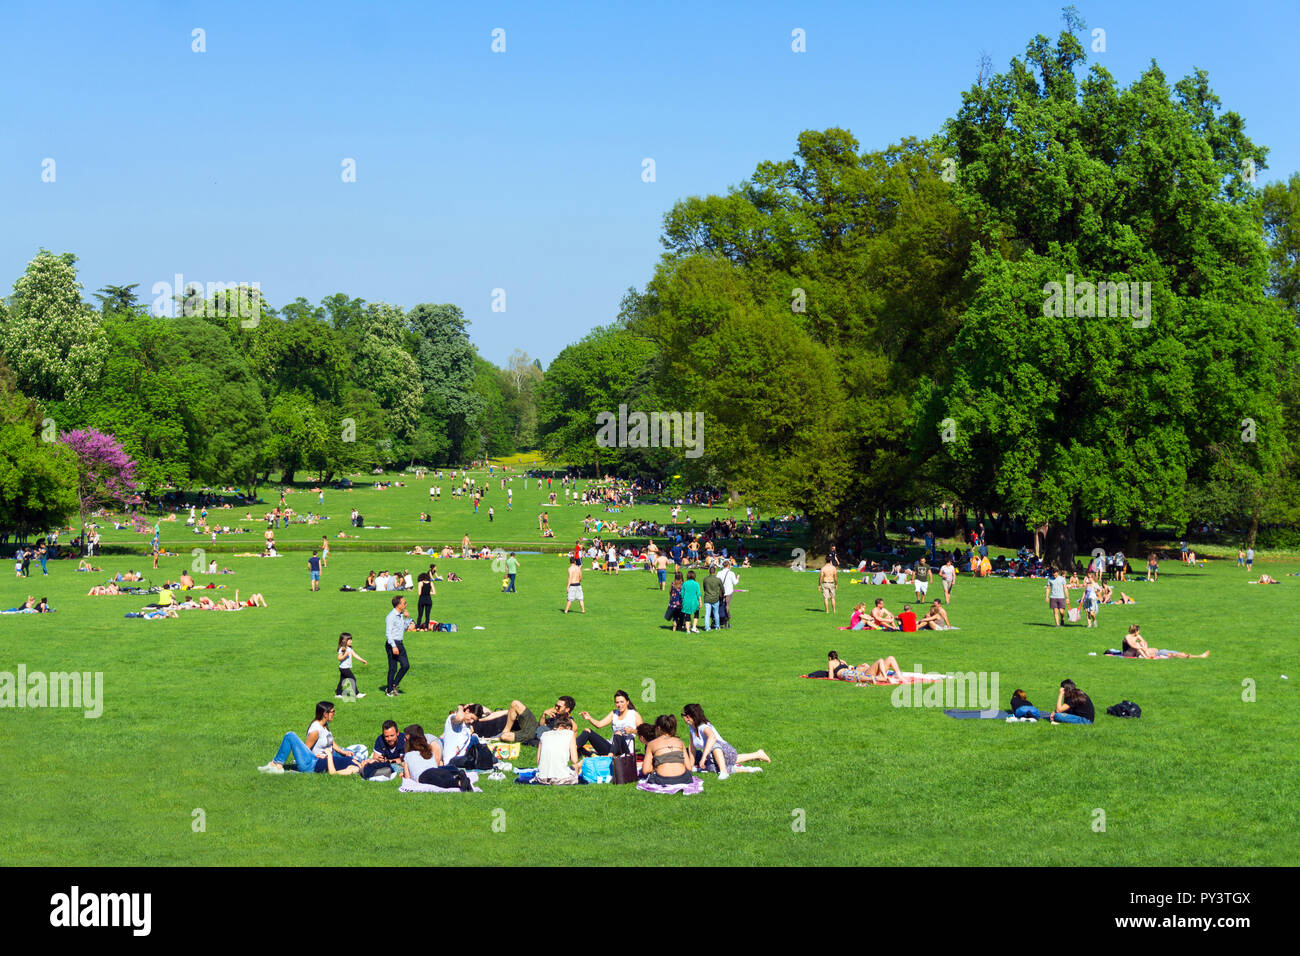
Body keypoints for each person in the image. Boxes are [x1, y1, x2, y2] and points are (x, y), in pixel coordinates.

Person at [258, 701, 361, 774]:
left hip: (327, 756)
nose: (334, 714)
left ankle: (275, 764)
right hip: (313, 761)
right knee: (290, 735)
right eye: (333, 712)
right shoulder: (315, 730)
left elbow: (331, 742)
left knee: (355, 756)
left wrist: (343, 752)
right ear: (325, 714)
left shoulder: (325, 725)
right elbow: (306, 750)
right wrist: (320, 756)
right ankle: (276, 764)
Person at [680, 704, 769, 779]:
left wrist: (703, 758)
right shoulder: (691, 727)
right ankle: (757, 756)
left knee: (714, 746)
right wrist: (691, 765)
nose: (682, 717)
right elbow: (692, 747)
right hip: (716, 754)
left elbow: (712, 738)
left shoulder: (703, 727)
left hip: (725, 750)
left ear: (688, 717)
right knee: (711, 768)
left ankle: (724, 771)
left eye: (682, 715)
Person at [577, 690, 641, 757]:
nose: (619, 705)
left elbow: (643, 733)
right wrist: (589, 718)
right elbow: (599, 725)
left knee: (618, 734)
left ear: (627, 702)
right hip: (611, 747)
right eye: (617, 702)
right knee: (588, 731)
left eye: (622, 702)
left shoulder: (634, 715)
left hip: (625, 750)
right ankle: (571, 749)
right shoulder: (614, 713)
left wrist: (632, 731)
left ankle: (608, 759)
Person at [640, 714, 696, 789]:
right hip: (683, 779)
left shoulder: (651, 744)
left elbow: (645, 770)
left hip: (662, 780)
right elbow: (689, 767)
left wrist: (656, 768)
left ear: (658, 728)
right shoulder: (680, 742)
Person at [534, 715, 581, 785]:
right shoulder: (570, 734)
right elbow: (575, 760)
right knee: (577, 765)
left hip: (541, 778)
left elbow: (538, 761)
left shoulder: (544, 735)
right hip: (561, 779)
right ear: (568, 728)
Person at [1122, 624, 1209, 659]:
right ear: (1136, 630)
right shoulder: (1128, 637)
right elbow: (1133, 646)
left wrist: (1144, 646)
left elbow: (1144, 642)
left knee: (1158, 650)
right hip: (1129, 653)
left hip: (1143, 652)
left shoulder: (1137, 636)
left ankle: (1196, 656)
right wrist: (1142, 648)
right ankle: (1147, 657)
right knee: (1138, 646)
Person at [384, 595, 412, 697]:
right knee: (393, 668)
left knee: (406, 665)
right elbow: (388, 633)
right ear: (399, 605)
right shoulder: (391, 616)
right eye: (404, 603)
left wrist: (407, 618)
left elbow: (403, 628)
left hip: (400, 643)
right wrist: (393, 646)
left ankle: (394, 684)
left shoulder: (400, 615)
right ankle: (389, 690)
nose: (406, 604)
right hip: (393, 644)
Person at [825, 650, 903, 684]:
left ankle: (884, 677)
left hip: (867, 672)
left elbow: (831, 677)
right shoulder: (842, 661)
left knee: (881, 660)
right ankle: (899, 677)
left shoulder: (831, 662)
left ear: (830, 658)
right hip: (867, 671)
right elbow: (852, 669)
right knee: (890, 658)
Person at [336, 632, 367, 699]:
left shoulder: (349, 648)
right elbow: (339, 658)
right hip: (344, 668)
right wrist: (345, 655)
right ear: (344, 641)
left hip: (345, 668)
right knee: (353, 679)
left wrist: (362, 660)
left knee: (342, 681)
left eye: (351, 640)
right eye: (349, 640)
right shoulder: (342, 649)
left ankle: (338, 694)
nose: (351, 641)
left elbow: (355, 655)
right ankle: (357, 694)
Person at [701, 566, 723, 631]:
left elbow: (704, 588)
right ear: (715, 572)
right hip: (715, 598)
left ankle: (707, 627)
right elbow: (722, 588)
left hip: (707, 598)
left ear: (709, 571)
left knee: (707, 614)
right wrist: (722, 594)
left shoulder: (705, 579)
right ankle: (717, 626)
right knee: (716, 613)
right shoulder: (718, 579)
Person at [717, 559, 738, 628]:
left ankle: (722, 618)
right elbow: (735, 582)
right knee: (727, 605)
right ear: (728, 566)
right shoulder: (731, 573)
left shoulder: (719, 573)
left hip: (721, 592)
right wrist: (737, 578)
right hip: (728, 592)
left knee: (721, 605)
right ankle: (727, 618)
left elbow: (717, 582)